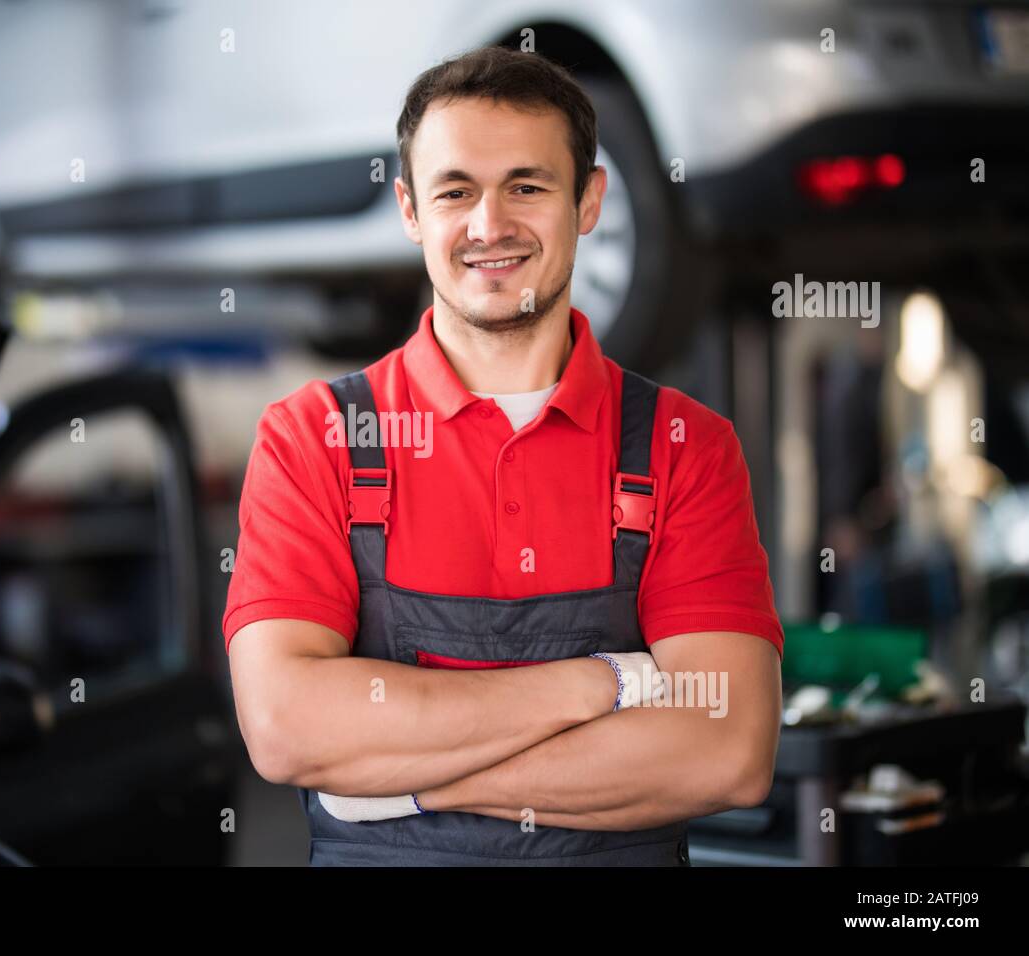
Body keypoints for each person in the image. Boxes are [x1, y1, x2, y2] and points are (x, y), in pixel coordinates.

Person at [224, 46, 783, 866]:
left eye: (527, 186)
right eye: (456, 192)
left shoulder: (682, 446)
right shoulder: (316, 437)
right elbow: (284, 729)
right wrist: (604, 684)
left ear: (589, 201)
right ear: (411, 211)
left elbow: (728, 750)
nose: (490, 226)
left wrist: (404, 782)